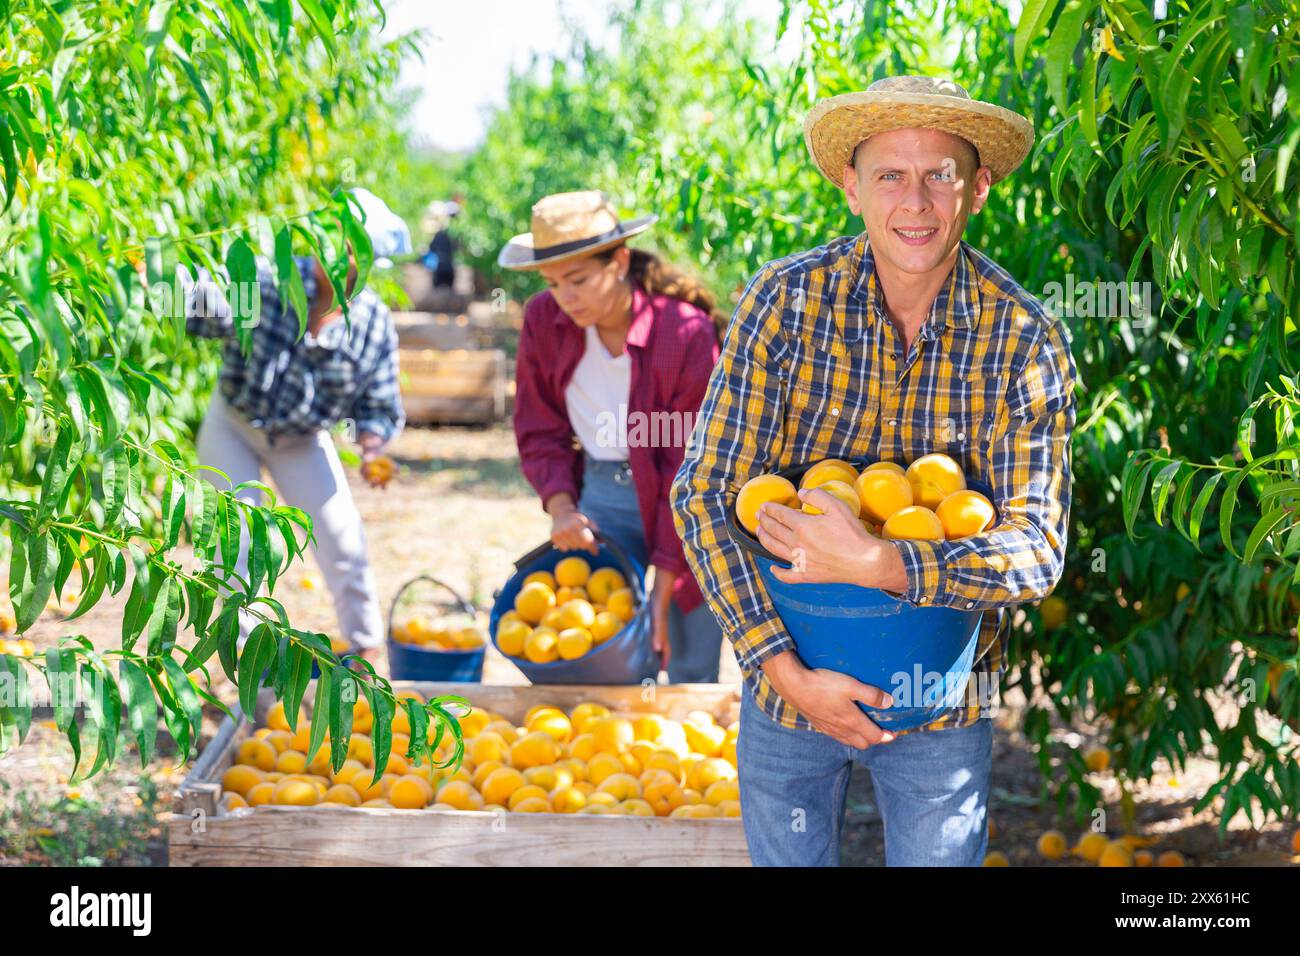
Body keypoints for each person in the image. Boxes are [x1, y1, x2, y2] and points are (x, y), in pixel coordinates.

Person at [672, 76, 1077, 865]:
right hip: (787, 689)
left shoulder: (1024, 338)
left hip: (939, 706)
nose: (916, 202)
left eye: (941, 175)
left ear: (979, 188)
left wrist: (878, 561)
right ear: (850, 186)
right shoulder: (786, 304)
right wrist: (784, 672)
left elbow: (1036, 548)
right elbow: (706, 493)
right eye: (890, 174)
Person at [501, 190, 725, 683]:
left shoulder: (682, 332)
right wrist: (561, 507)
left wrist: (668, 573)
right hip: (602, 489)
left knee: (686, 648)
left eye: (578, 280)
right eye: (553, 283)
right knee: (600, 640)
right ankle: (613, 746)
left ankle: (685, 751)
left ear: (619, 260)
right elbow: (539, 427)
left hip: (687, 498)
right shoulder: (545, 321)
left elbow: (692, 461)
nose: (566, 297)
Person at [183, 190, 408, 666]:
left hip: (301, 438)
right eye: (340, 248)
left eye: (361, 259)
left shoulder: (371, 323)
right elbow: (204, 307)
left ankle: (365, 647)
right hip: (235, 422)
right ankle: (243, 659)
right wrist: (164, 278)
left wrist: (372, 450)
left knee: (341, 539)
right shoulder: (270, 281)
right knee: (235, 539)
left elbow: (378, 403)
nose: (346, 267)